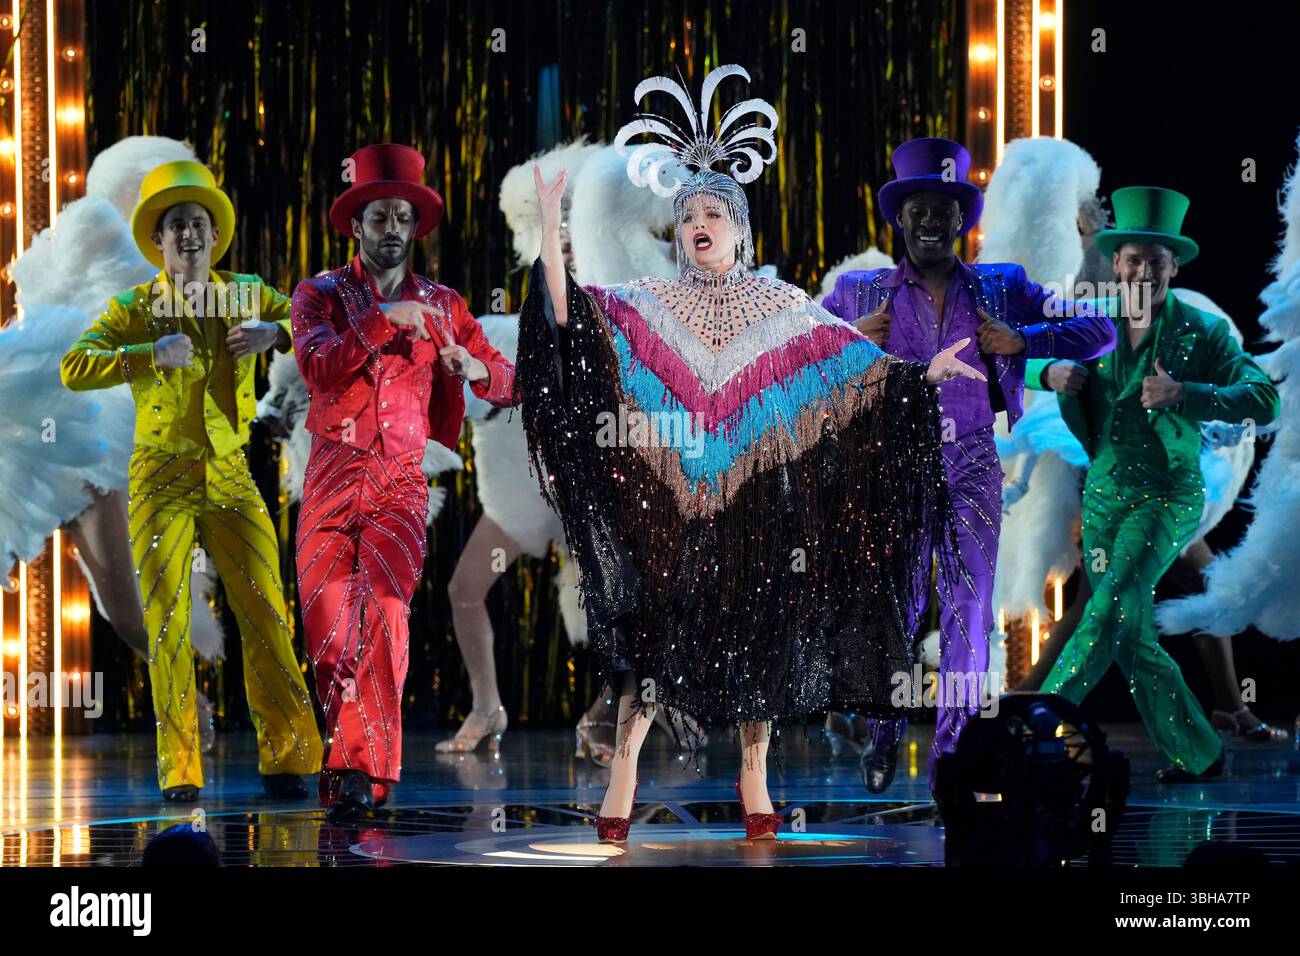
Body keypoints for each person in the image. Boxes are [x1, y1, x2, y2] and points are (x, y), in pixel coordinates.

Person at [517, 65, 985, 843]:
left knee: (761, 635)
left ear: (739, 227)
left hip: (756, 504)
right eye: (687, 215)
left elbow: (854, 368)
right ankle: (625, 771)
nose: (699, 223)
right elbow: (568, 322)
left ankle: (754, 774)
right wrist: (548, 226)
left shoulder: (782, 305)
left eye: (713, 212)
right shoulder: (648, 302)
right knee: (654, 638)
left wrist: (922, 374)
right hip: (673, 509)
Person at [820, 137, 1116, 793]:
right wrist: (845, 342)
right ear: (899, 219)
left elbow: (1100, 332)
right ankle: (883, 733)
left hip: (972, 462)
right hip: (891, 466)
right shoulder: (858, 291)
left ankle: (954, 760)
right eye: (918, 210)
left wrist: (1023, 338)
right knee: (895, 610)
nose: (930, 220)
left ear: (961, 220)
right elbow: (793, 355)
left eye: (943, 210)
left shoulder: (1001, 288)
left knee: (969, 611)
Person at [60, 160, 322, 801]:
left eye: (198, 222)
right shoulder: (135, 307)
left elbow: (317, 327)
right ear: (158, 238)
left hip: (232, 475)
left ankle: (289, 757)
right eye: (176, 223)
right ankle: (180, 767)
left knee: (265, 608)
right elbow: (74, 365)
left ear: (215, 234)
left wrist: (274, 334)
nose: (188, 234)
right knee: (168, 621)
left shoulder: (247, 294)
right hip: (160, 477)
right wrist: (146, 355)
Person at [291, 143, 514, 817]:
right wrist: (381, 321)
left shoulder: (444, 304)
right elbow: (318, 367)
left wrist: (477, 370)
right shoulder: (319, 295)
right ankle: (354, 759)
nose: (391, 227)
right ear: (356, 224)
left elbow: (508, 378)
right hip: (332, 474)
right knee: (328, 628)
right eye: (379, 215)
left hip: (400, 482)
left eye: (402, 216)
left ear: (416, 227)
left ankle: (363, 771)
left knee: (386, 613)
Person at [1030, 187, 1281, 782]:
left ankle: (1034, 721)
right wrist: (1049, 371)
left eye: (1157, 260)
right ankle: (1200, 751)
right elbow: (1017, 356)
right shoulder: (1091, 322)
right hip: (1103, 496)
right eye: (1134, 259)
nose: (1144, 270)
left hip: (1168, 494)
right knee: (1130, 630)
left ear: (1175, 267)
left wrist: (1187, 393)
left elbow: (1263, 399)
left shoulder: (1201, 331)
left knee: (1108, 608)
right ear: (1116, 263)